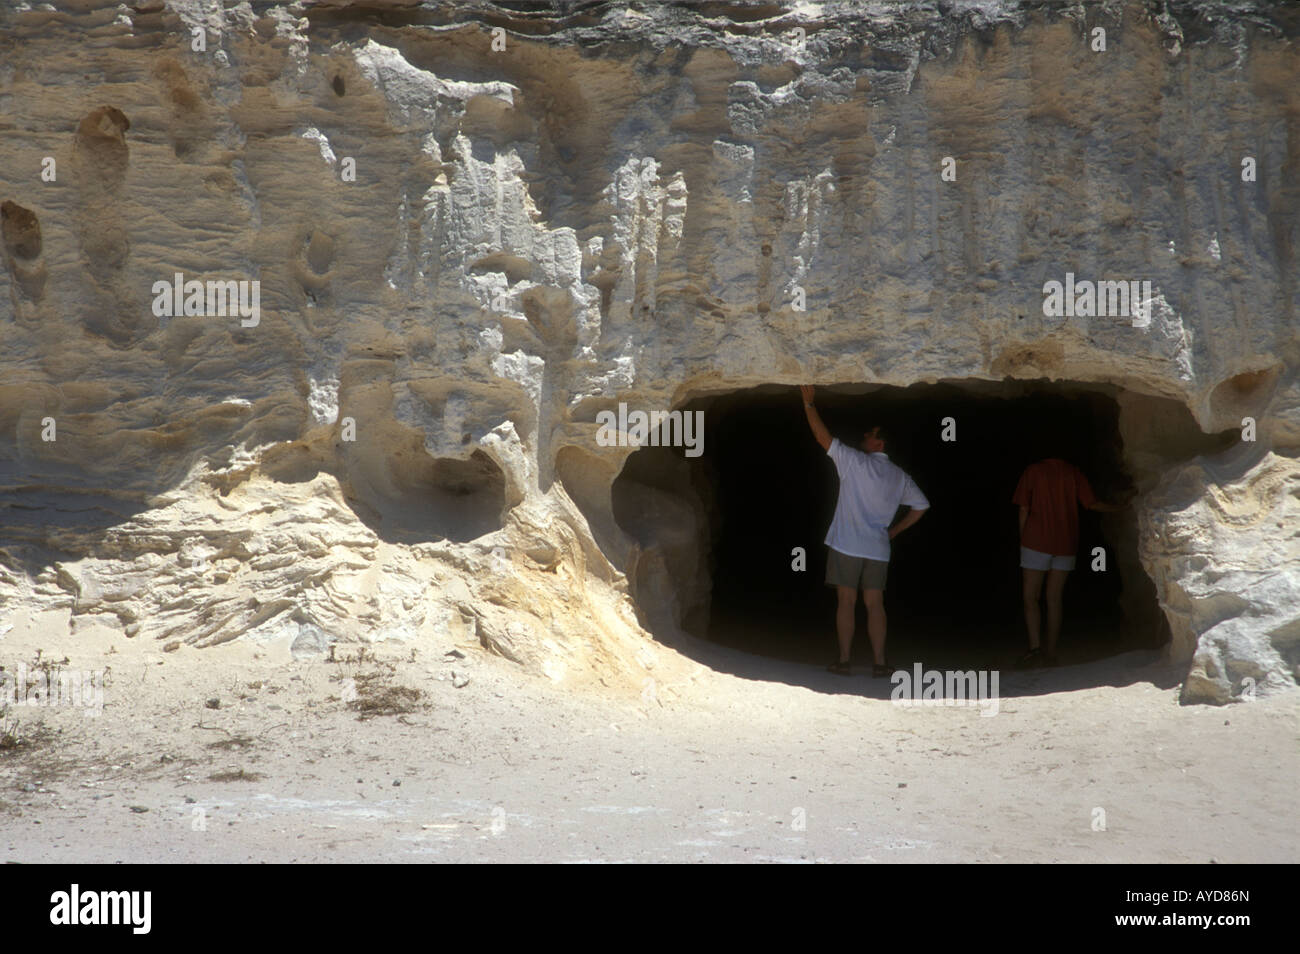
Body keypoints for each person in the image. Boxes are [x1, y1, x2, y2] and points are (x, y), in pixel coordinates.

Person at [800, 385, 929, 677]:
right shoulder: (900, 477)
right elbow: (922, 506)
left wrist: (808, 404)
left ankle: (844, 661)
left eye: (870, 434)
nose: (865, 437)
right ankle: (880, 663)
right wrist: (894, 531)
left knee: (846, 601)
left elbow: (822, 437)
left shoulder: (854, 462)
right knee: (875, 605)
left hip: (847, 545)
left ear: (879, 444)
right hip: (878, 548)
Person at [1012, 456, 1124, 667]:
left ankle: (1035, 649)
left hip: (1035, 542)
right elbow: (1092, 504)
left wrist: (1023, 540)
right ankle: (1051, 652)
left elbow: (1023, 508)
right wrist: (1121, 508)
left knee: (1030, 598)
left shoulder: (1033, 470)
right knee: (1055, 599)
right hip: (1065, 543)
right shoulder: (1073, 472)